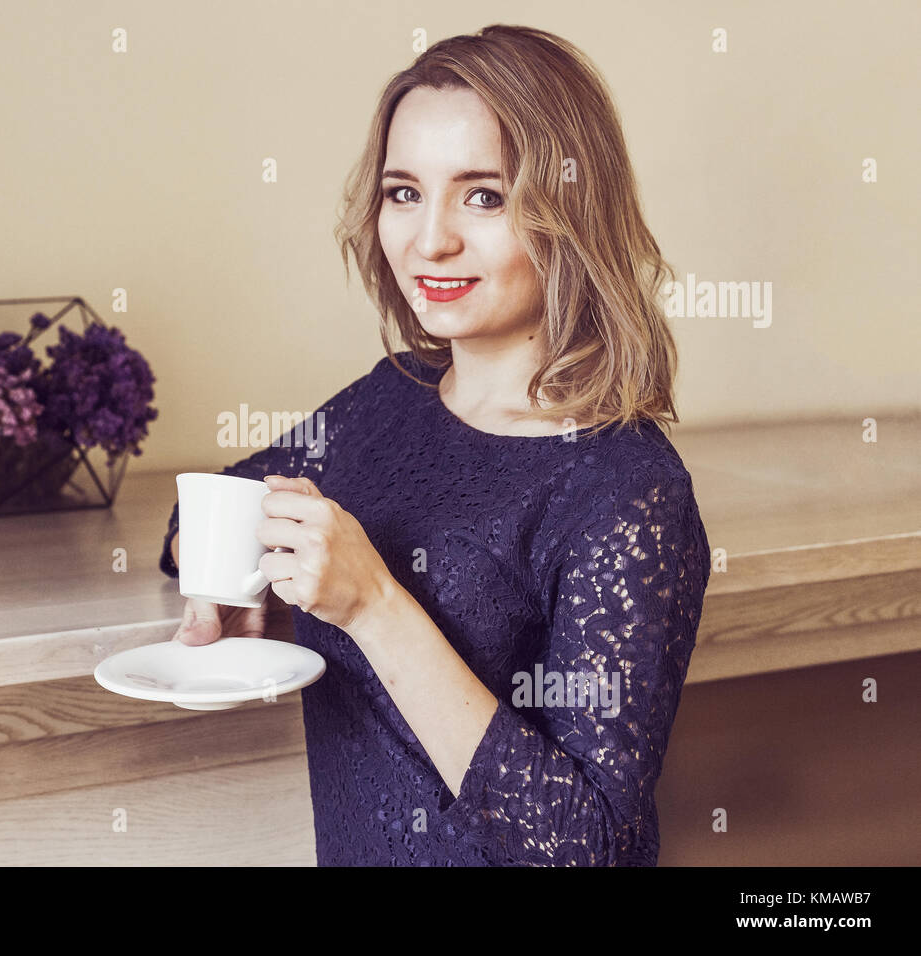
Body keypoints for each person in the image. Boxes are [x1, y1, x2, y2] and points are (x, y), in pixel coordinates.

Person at [159, 24, 710, 866]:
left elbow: (582, 845)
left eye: (483, 196)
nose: (430, 240)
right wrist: (232, 583)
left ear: (568, 210)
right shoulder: (391, 400)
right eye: (405, 192)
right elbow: (213, 503)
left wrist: (373, 607)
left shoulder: (625, 488)